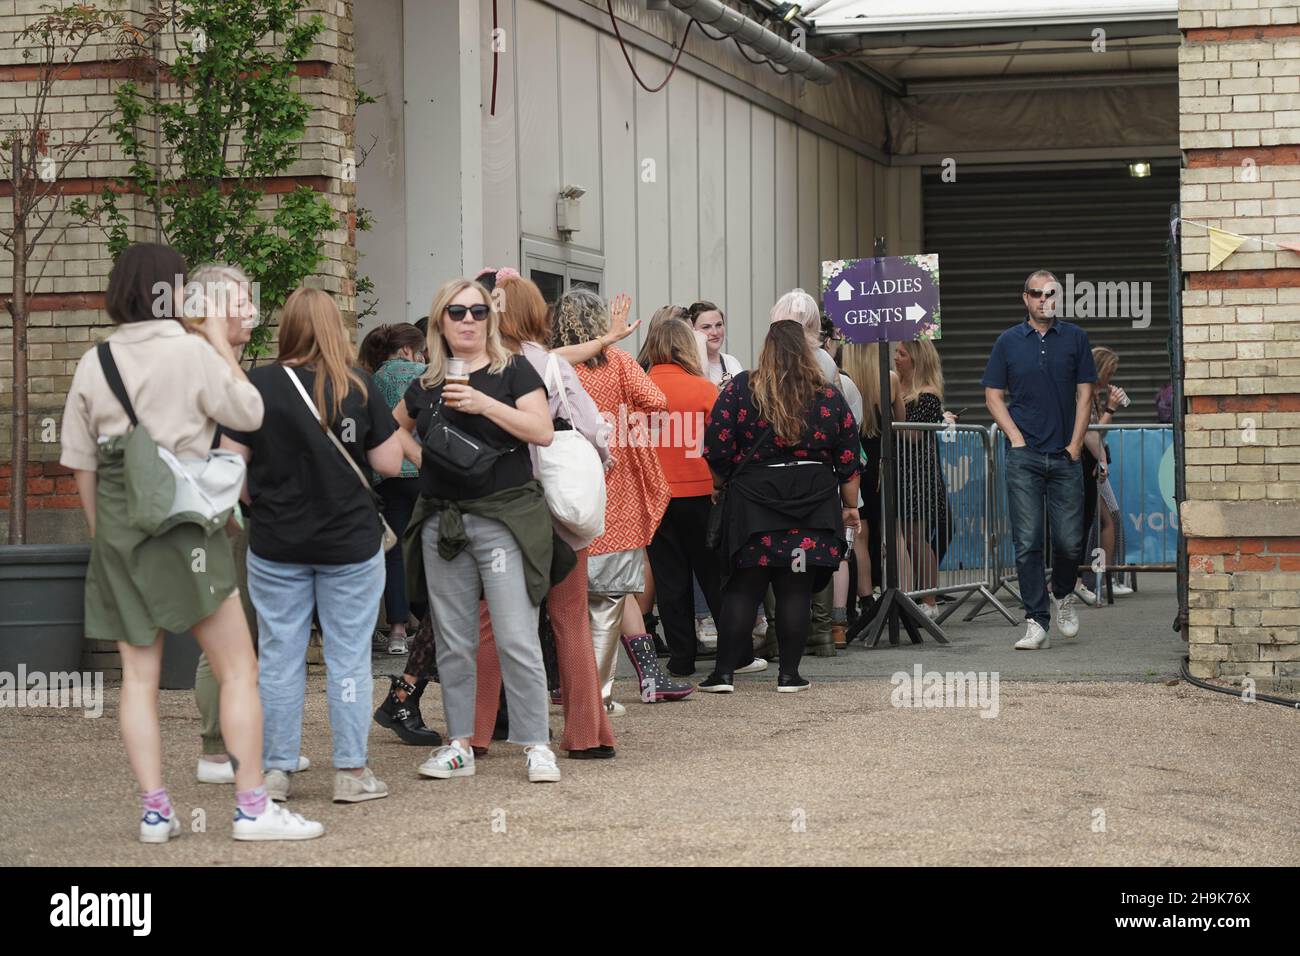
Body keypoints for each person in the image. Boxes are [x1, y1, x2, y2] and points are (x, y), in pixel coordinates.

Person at [61, 242, 321, 841]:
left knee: (138, 678)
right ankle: (253, 807)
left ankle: (155, 811)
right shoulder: (191, 352)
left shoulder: (92, 361)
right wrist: (213, 345)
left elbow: (80, 465)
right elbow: (251, 412)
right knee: (237, 668)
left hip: (121, 532)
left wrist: (107, 542)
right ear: (173, 292)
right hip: (184, 527)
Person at [222, 288, 404, 805]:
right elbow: (390, 463)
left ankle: (277, 772)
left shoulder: (256, 386)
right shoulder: (359, 387)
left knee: (280, 655)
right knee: (348, 658)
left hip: (277, 542)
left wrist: (263, 498)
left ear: (286, 328)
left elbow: (230, 470)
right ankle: (350, 771)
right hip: (350, 543)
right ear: (333, 329)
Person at [392, 277, 568, 783]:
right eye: (457, 311)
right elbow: (393, 426)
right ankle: (459, 744)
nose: (468, 320)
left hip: (504, 517)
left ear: (491, 319)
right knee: (452, 639)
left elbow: (542, 431)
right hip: (442, 520)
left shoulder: (513, 370)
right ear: (439, 320)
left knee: (515, 634)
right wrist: (422, 459)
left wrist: (483, 404)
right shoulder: (425, 382)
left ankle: (536, 744)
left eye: (478, 311)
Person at [468, 274, 618, 759]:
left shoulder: (479, 368)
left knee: (490, 622)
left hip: (501, 508)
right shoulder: (551, 365)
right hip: (559, 514)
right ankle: (586, 735)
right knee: (570, 620)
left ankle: (474, 734)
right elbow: (594, 432)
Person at [188, 263, 312, 785]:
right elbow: (251, 412)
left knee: (244, 631)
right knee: (229, 631)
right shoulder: (206, 363)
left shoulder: (216, 360)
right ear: (211, 309)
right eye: (240, 302)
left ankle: (236, 745)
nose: (253, 313)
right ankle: (219, 752)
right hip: (219, 517)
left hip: (232, 513)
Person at [551, 288, 694, 712]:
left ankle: (579, 682)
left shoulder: (552, 364)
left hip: (562, 484)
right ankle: (604, 691)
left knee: (572, 593)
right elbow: (657, 401)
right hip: (615, 488)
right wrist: (622, 418)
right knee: (611, 592)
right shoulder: (618, 363)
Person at [700, 321, 862, 693]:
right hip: (811, 504)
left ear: (766, 349)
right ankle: (789, 675)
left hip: (755, 505)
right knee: (795, 588)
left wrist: (720, 484)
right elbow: (849, 457)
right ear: (806, 351)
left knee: (744, 587)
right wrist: (850, 506)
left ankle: (724, 674)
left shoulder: (741, 388)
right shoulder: (826, 395)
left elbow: (717, 446)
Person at [982, 269, 1097, 650]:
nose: (1042, 300)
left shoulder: (1076, 339)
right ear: (1025, 298)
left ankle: (1062, 594)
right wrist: (1014, 439)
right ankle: (1035, 620)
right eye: (1036, 294)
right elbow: (993, 395)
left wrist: (1077, 445)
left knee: (1069, 540)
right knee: (1027, 541)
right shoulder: (1008, 342)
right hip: (1024, 456)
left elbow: (1085, 395)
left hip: (1066, 456)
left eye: (1050, 294)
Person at [642, 317, 749, 678]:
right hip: (702, 493)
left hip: (656, 497)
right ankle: (735, 653)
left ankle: (681, 657)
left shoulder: (639, 389)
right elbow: (722, 445)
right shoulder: (703, 389)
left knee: (670, 581)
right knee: (715, 577)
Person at [766, 290, 860, 658]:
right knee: (817, 551)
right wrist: (851, 499)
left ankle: (778, 635)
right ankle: (822, 631)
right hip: (822, 478)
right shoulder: (826, 366)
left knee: (776, 555)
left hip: (776, 480)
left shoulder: (765, 372)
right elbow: (850, 429)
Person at [841, 342, 905, 644]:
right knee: (882, 531)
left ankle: (862, 600)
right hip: (880, 459)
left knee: (858, 534)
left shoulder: (843, 378)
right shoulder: (890, 379)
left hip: (854, 458)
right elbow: (900, 423)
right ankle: (880, 594)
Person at [894, 339, 951, 618]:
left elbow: (913, 434)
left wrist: (894, 408)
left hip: (917, 473)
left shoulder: (927, 396)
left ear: (916, 360)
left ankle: (929, 600)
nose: (896, 358)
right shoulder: (900, 388)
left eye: (902, 354)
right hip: (900, 470)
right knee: (904, 538)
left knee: (916, 538)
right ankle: (914, 593)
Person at [1076, 345, 1131, 603]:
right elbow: (1094, 433)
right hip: (1091, 465)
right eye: (1110, 372)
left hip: (1096, 463)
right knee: (1109, 519)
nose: (1111, 378)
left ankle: (1101, 578)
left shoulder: (1092, 395)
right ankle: (1103, 578)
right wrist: (1110, 409)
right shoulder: (1085, 396)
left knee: (1104, 520)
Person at [687, 300, 744, 386]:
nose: (715, 333)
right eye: (706, 327)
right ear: (692, 331)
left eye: (719, 325)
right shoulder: (687, 367)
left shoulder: (732, 362)